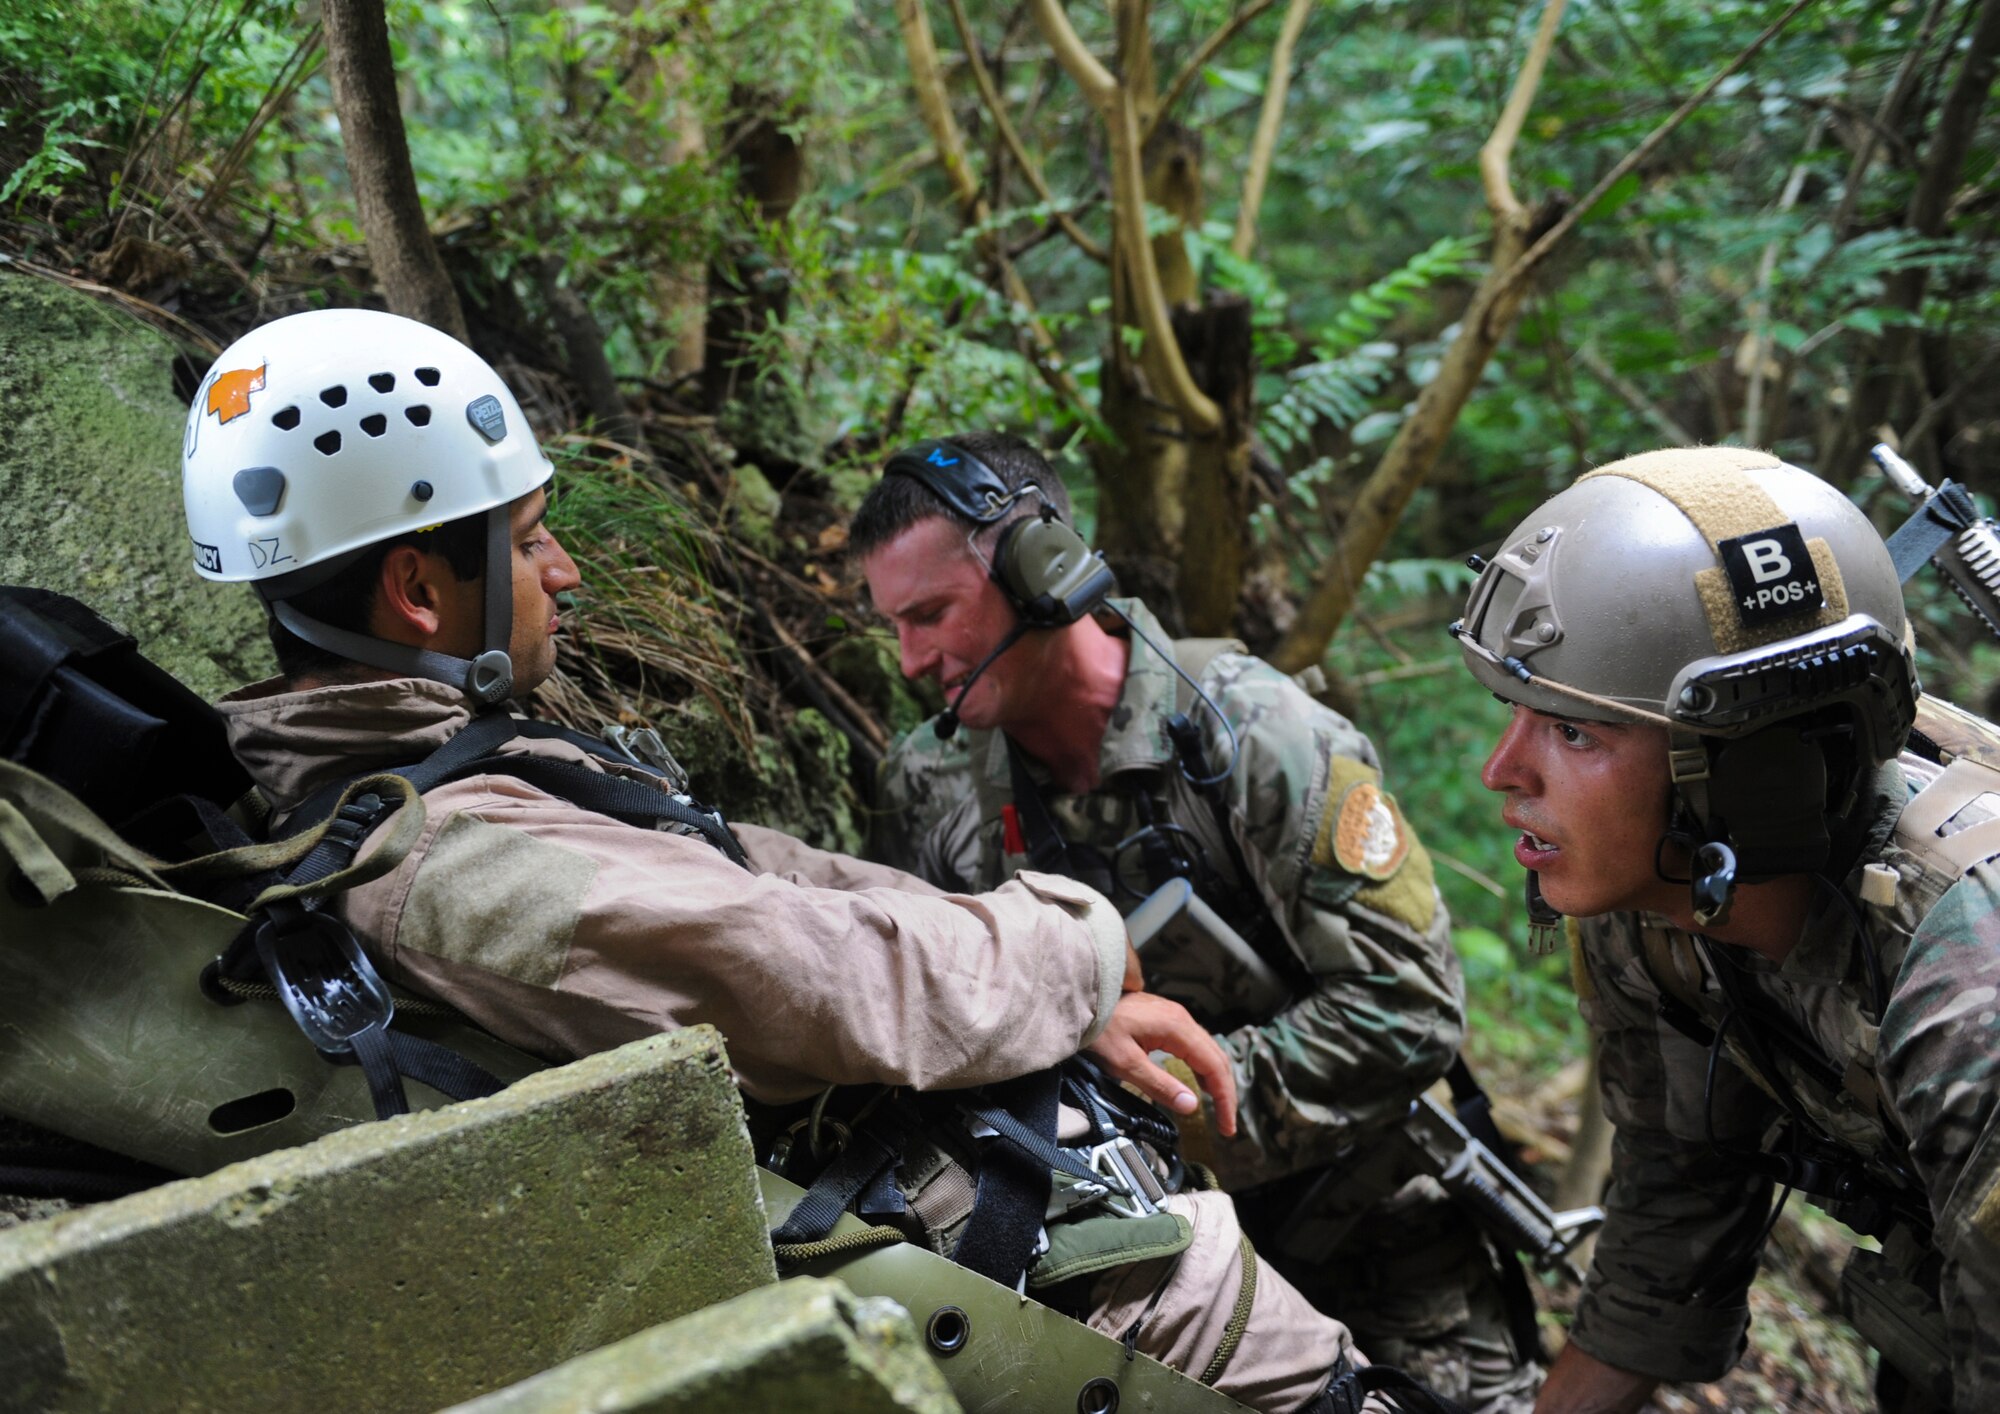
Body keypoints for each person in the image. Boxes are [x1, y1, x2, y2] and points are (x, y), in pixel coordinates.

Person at [179, 307, 1410, 1414]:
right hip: (1069, 1296)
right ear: (415, 588)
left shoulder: (459, 785)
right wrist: (1072, 948)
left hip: (1074, 1224)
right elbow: (800, 967)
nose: (562, 570)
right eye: (530, 538)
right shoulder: (448, 856)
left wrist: (1055, 984)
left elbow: (760, 871)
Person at [850, 432, 1543, 1411]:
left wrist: (1167, 1107)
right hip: (1142, 1264)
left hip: (1370, 1231)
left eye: (930, 614)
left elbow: (1410, 1006)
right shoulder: (932, 786)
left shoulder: (1251, 735)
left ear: (1041, 573)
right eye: (894, 624)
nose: (912, 658)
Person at [1456, 445, 2000, 1413]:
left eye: (1572, 731)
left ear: (1746, 769)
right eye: (1516, 711)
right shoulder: (1657, 920)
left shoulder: (1968, 992)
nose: (1501, 770)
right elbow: (1665, 1245)